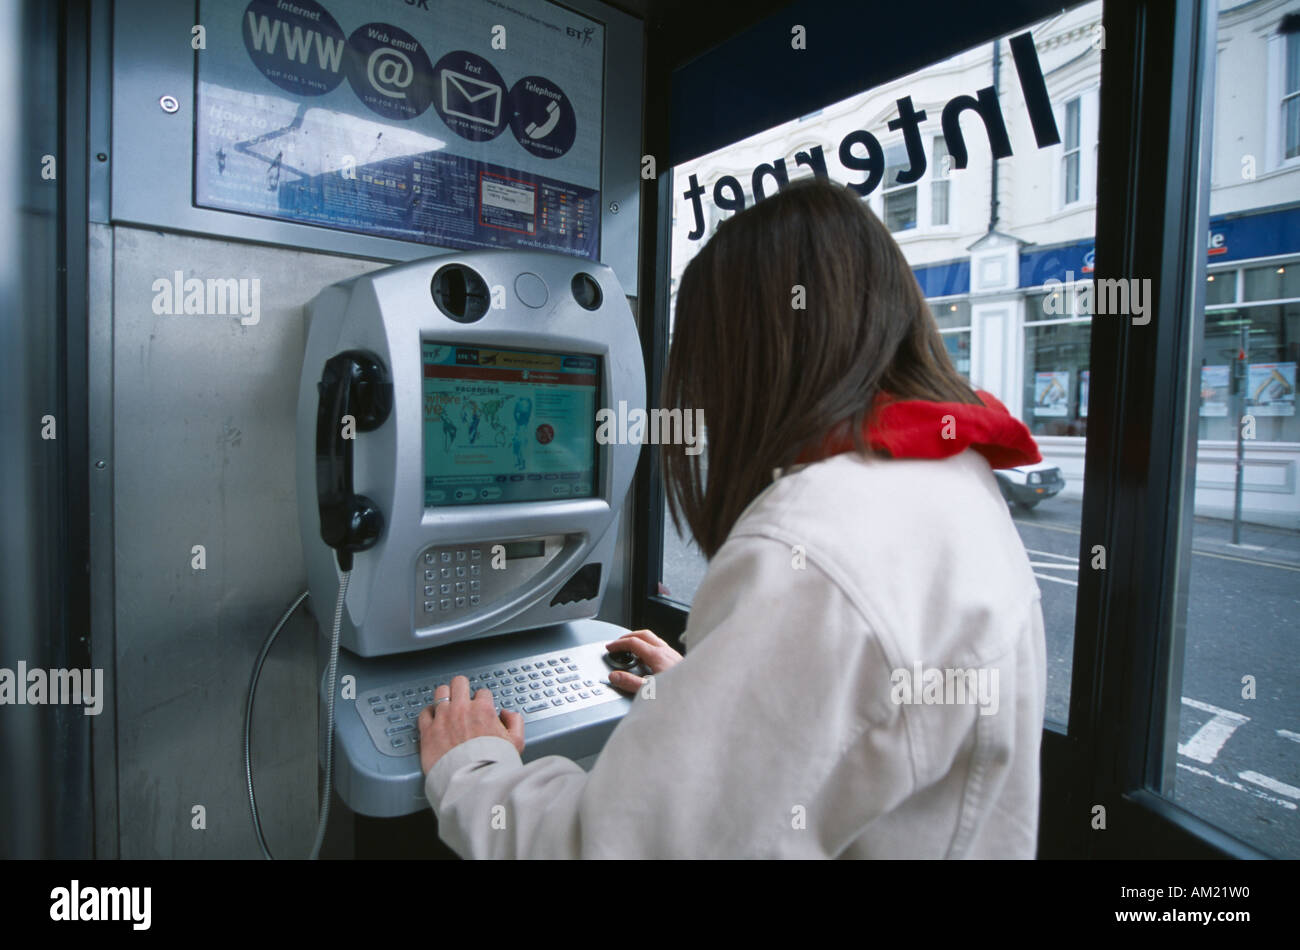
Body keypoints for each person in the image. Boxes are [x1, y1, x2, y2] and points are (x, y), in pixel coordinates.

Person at [418, 177, 1047, 858]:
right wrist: (714, 687)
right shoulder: (951, 478)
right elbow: (851, 728)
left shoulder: (820, 542)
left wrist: (472, 768)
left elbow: (610, 848)